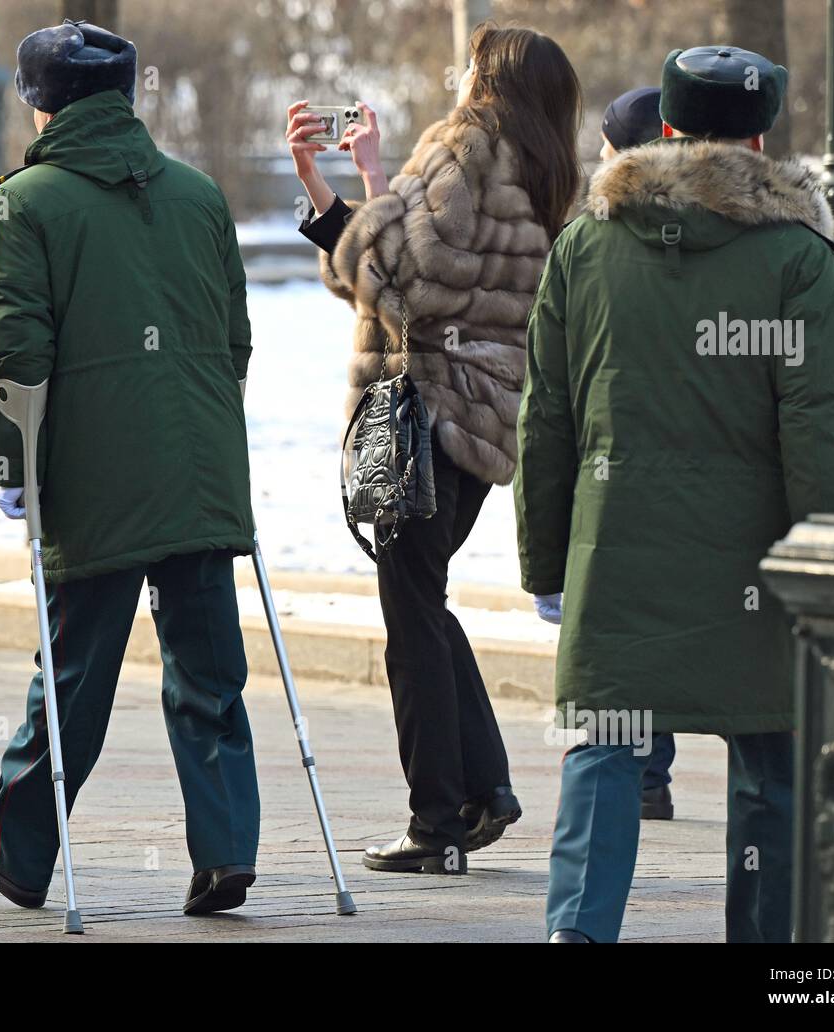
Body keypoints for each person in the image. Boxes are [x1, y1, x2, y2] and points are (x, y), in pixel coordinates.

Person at [515, 46, 834, 942]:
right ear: (760, 135)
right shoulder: (795, 256)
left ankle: (576, 933)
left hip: (616, 553)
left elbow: (546, 417)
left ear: (665, 126)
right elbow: (818, 427)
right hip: (759, 563)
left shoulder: (584, 247)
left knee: (603, 756)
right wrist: (828, 573)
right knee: (773, 765)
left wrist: (547, 562)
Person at [0, 20, 262, 917]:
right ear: (127, 95)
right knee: (209, 666)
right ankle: (226, 847)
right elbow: (234, 341)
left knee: (74, 667)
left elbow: (15, 353)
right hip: (200, 468)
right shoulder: (199, 195)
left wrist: (17, 467)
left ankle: (18, 843)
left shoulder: (25, 201)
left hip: (92, 471)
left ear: (38, 103)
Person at [285, 23, 582, 873]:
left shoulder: (462, 147)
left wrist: (372, 177)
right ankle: (481, 790)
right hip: (488, 421)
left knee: (409, 613)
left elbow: (400, 281)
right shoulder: (549, 172)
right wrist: (321, 190)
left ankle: (436, 824)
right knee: (423, 597)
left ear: (486, 78)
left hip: (427, 410)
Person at [597, 85, 677, 822]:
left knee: (630, 620)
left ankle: (642, 772)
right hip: (689, 458)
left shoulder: (596, 242)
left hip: (624, 460)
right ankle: (652, 770)